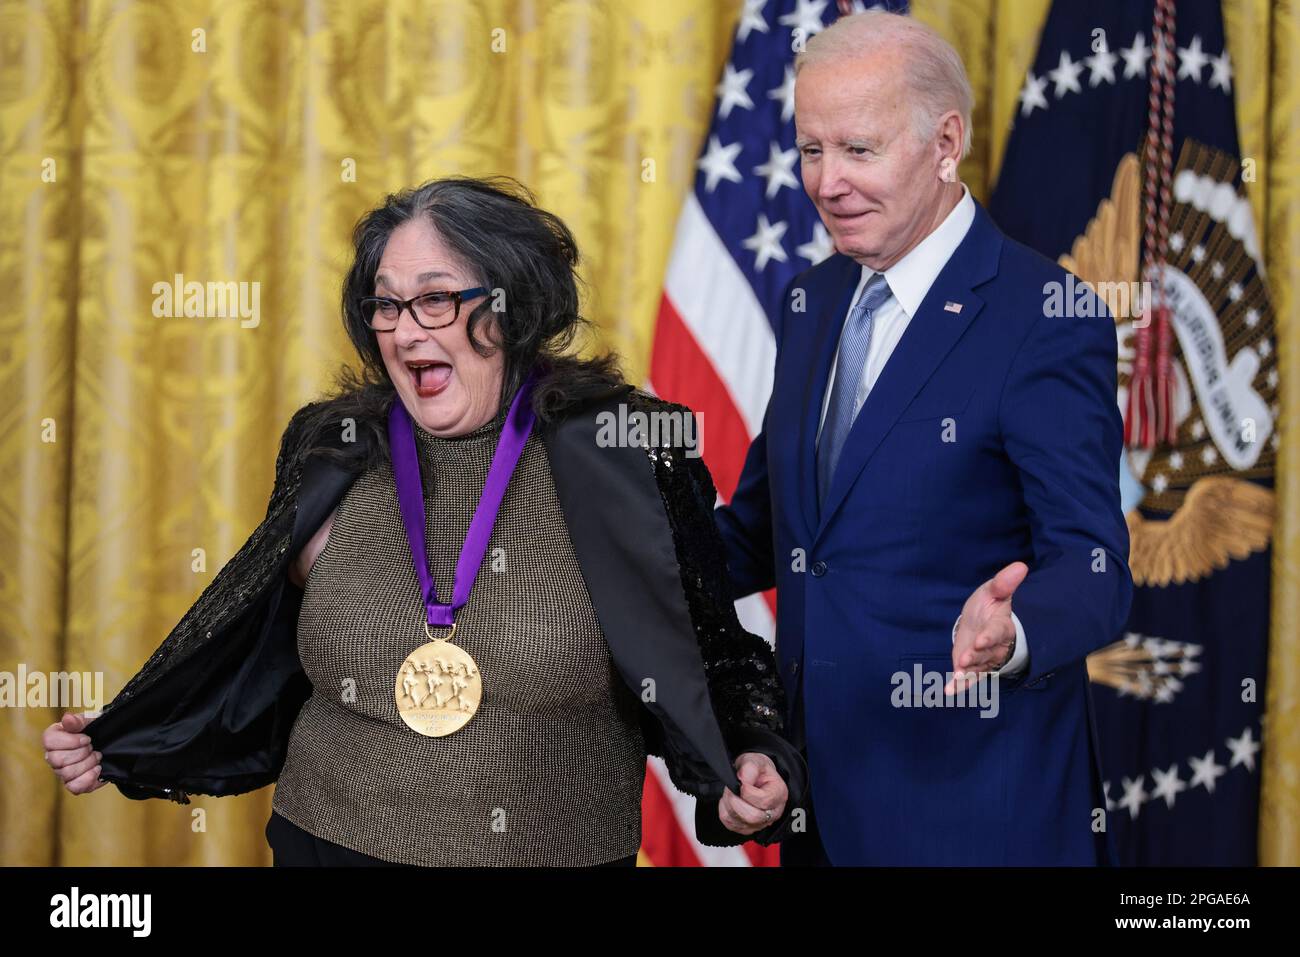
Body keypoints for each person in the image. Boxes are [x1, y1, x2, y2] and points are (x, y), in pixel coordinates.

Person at [41, 176, 805, 867]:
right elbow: (253, 647)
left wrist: (752, 752)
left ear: (514, 306)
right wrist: (131, 736)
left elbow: (714, 651)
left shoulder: (629, 451)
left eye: (436, 299)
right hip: (325, 845)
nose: (406, 331)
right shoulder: (331, 445)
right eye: (386, 302)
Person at [714, 10, 1132, 865]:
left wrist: (1012, 634)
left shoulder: (1043, 318)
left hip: (974, 815)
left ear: (946, 143)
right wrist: (596, 526)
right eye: (812, 149)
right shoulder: (813, 300)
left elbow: (1096, 566)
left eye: (858, 150)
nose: (827, 182)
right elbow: (767, 536)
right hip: (816, 810)